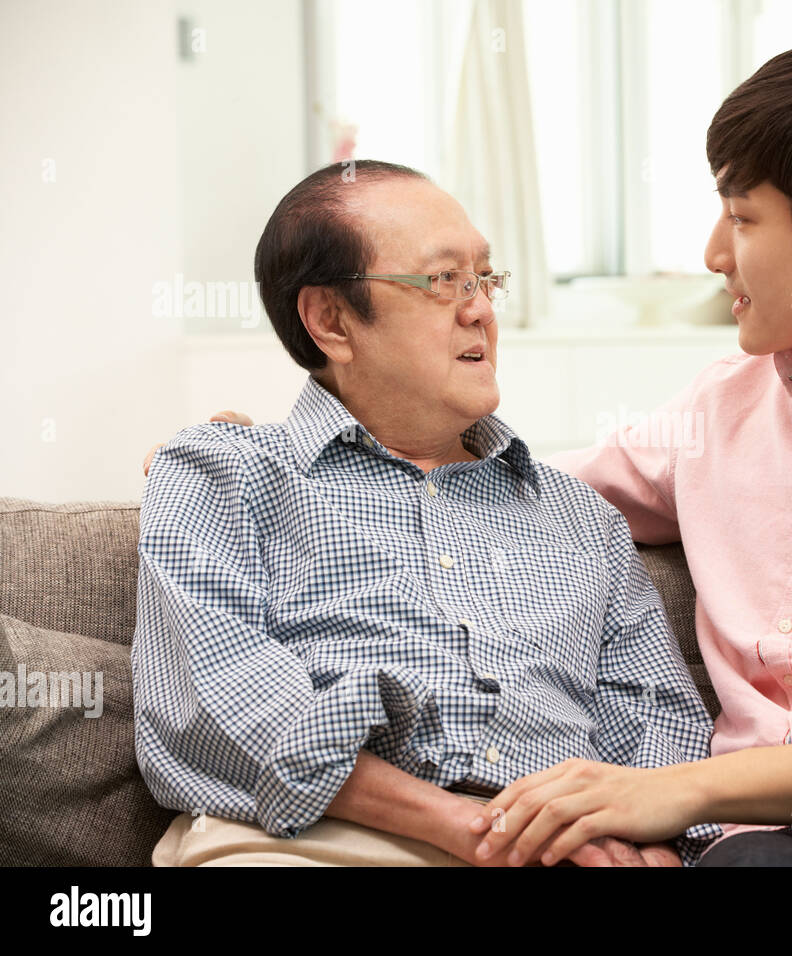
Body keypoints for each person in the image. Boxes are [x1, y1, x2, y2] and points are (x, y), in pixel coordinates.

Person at [147, 28, 792, 868]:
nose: (712, 253)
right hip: (784, 842)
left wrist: (668, 789)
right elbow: (515, 496)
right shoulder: (719, 414)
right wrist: (282, 446)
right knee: (746, 869)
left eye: (741, 216)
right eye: (443, 284)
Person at [133, 160, 723, 867]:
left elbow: (656, 713)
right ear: (331, 320)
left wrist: (655, 846)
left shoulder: (580, 515)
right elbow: (216, 703)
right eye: (444, 281)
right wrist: (479, 831)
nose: (480, 309)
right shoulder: (222, 473)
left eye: (484, 278)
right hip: (314, 839)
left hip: (567, 847)